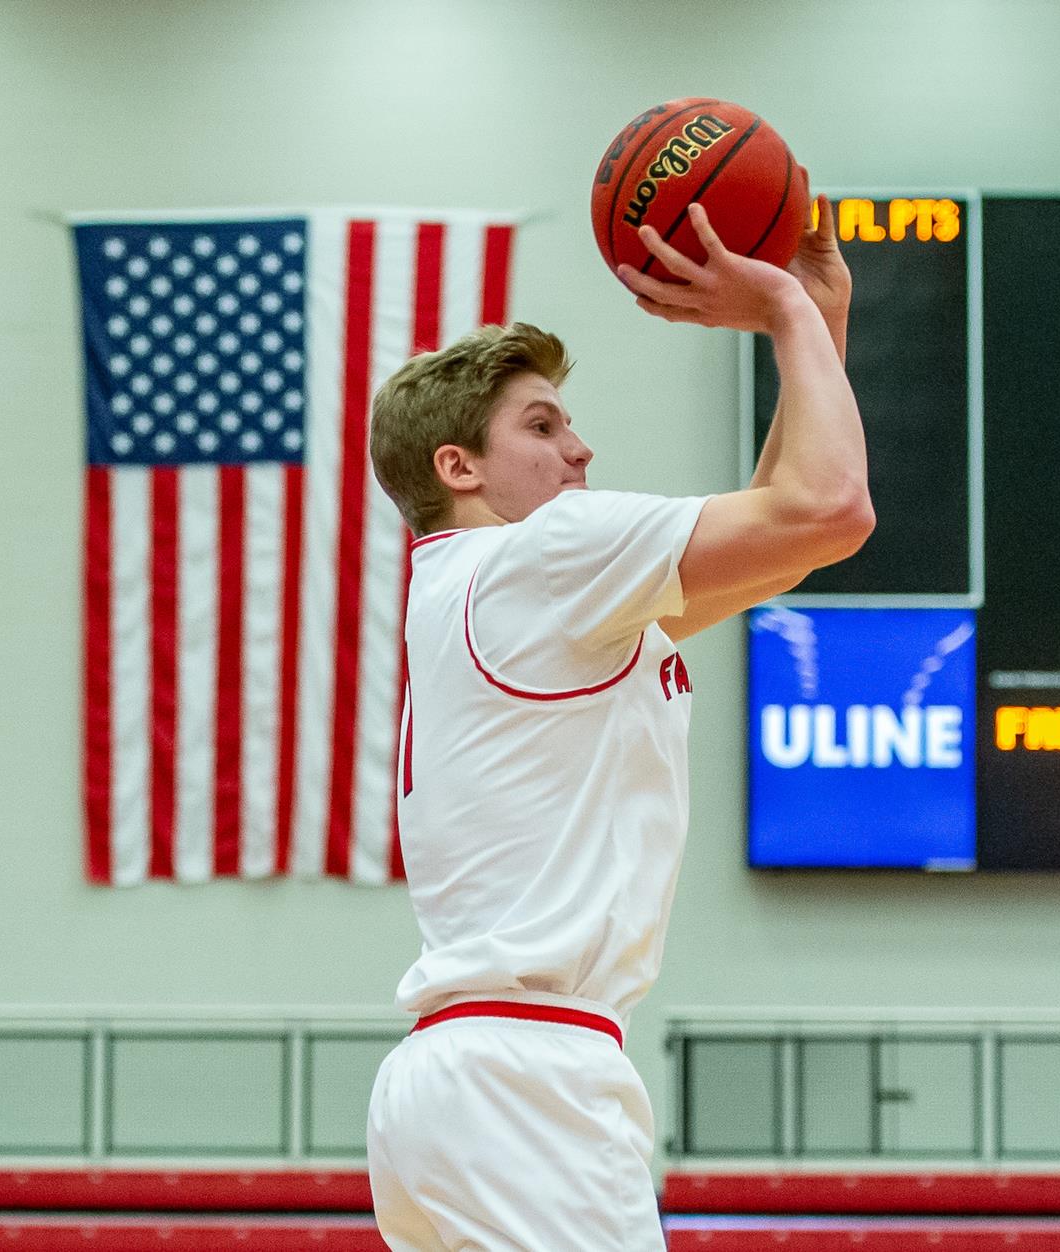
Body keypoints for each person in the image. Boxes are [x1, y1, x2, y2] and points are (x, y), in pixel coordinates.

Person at [361, 197, 868, 1251]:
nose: (581, 450)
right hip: (527, 1084)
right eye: (541, 427)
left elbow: (788, 536)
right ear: (459, 468)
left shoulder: (493, 586)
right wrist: (777, 302)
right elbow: (835, 509)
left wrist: (816, 325)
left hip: (452, 1081)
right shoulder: (545, 556)